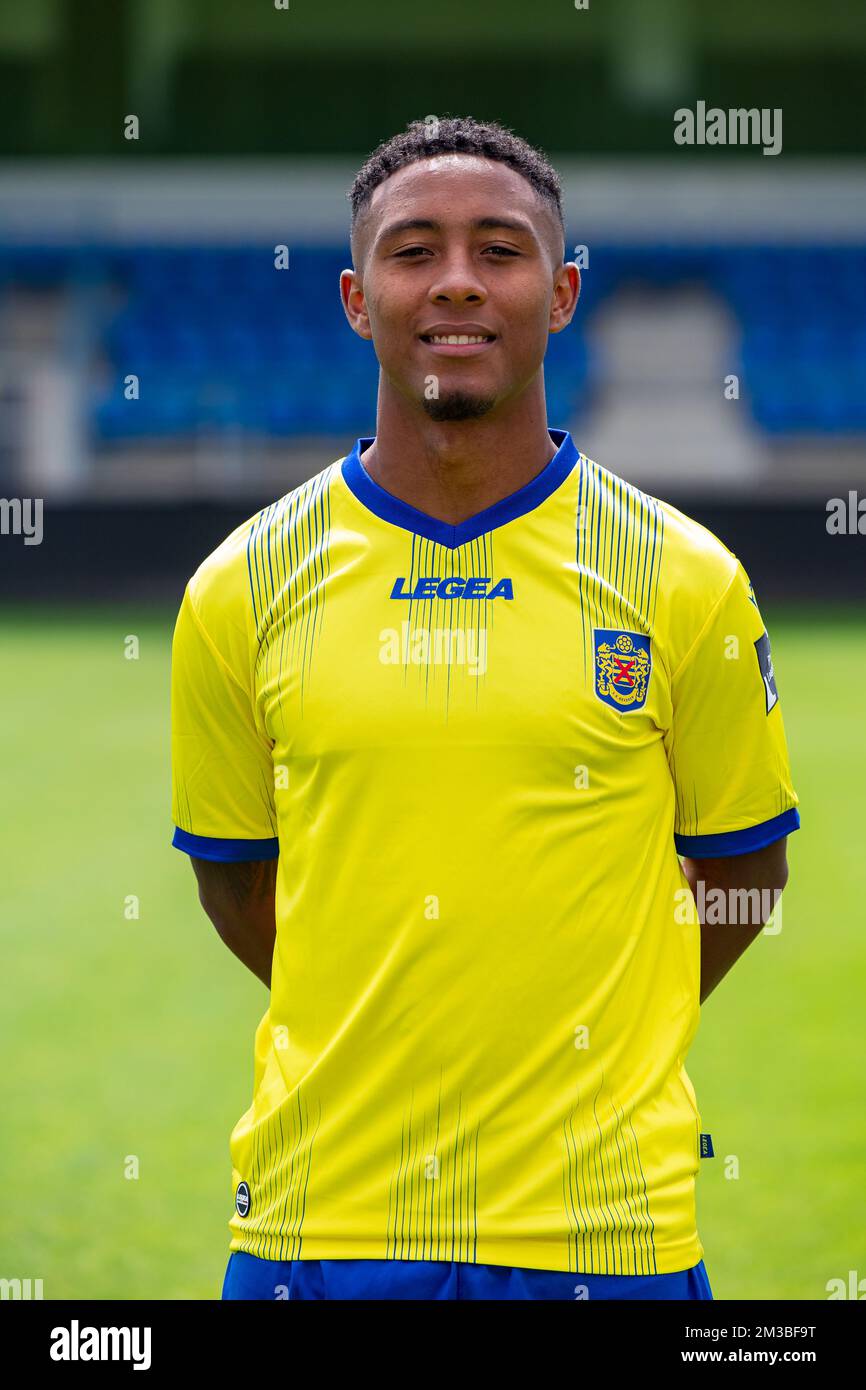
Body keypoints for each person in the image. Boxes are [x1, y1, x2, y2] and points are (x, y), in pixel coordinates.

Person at [170, 117, 799, 1301]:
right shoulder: (239, 586)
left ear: (558, 294)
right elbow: (236, 882)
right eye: (414, 252)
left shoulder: (684, 579)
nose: (456, 281)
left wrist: (589, 1029)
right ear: (357, 299)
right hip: (323, 1223)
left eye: (497, 250)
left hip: (605, 1232)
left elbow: (741, 873)